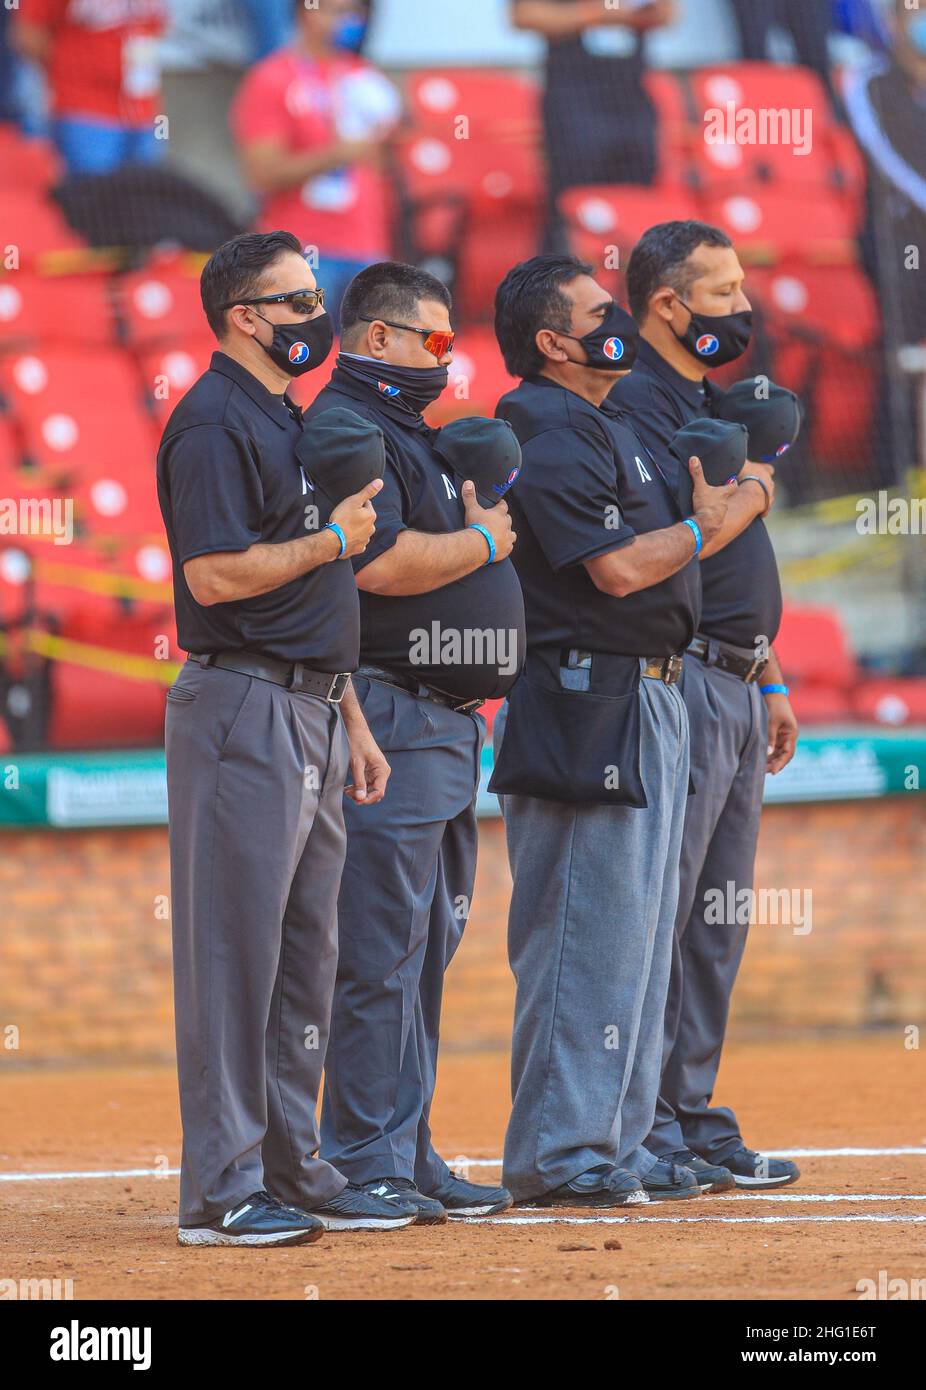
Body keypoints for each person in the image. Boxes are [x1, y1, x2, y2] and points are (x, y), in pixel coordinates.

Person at [157, 230, 423, 1245]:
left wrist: (347, 711)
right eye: (298, 301)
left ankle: (292, 1167)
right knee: (235, 953)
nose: (317, 316)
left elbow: (310, 588)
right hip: (241, 706)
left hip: (308, 705)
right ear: (243, 318)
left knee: (304, 953)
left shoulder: (283, 417)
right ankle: (219, 1193)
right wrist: (333, 541)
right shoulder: (214, 422)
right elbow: (214, 577)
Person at [491, 254, 734, 1207]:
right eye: (597, 314)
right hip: (589, 699)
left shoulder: (602, 421)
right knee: (585, 936)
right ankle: (563, 1156)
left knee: (634, 940)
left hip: (650, 695)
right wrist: (705, 526)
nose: (616, 323)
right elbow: (619, 571)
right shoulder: (542, 424)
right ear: (553, 342)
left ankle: (617, 1143)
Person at [308, 261, 525, 1221]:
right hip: (392, 712)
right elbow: (376, 563)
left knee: (424, 947)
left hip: (444, 723)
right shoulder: (349, 428)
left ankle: (408, 1147)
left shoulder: (410, 434)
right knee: (381, 950)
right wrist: (485, 545)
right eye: (434, 341)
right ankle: (360, 1157)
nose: (448, 358)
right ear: (379, 339)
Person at [609, 220, 801, 1189]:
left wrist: (766, 671)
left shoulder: (703, 399)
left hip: (734, 678)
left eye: (740, 284)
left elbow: (734, 568)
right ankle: (636, 1118)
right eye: (720, 289)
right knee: (663, 913)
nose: (740, 304)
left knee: (712, 918)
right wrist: (758, 485)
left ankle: (684, 1109)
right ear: (665, 304)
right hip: (676, 677)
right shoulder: (634, 403)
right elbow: (681, 540)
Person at [231, 0, 401, 325]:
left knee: (364, 369)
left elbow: (389, 162)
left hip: (366, 247)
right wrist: (334, 156)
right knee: (300, 364)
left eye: (353, 12)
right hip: (300, 253)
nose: (345, 21)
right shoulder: (272, 78)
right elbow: (261, 174)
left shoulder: (366, 78)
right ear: (303, 12)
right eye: (333, 10)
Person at [509, 0, 676, 246]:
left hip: (630, 94)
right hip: (574, 94)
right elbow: (523, 15)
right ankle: (557, 279)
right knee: (570, 207)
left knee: (636, 204)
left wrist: (641, 14)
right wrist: (594, 14)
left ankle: (628, 279)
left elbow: (667, 13)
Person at [13, 0, 166, 176]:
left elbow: (154, 28)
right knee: (93, 195)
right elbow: (28, 33)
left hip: (143, 108)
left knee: (145, 195)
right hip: (84, 110)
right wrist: (69, 69)